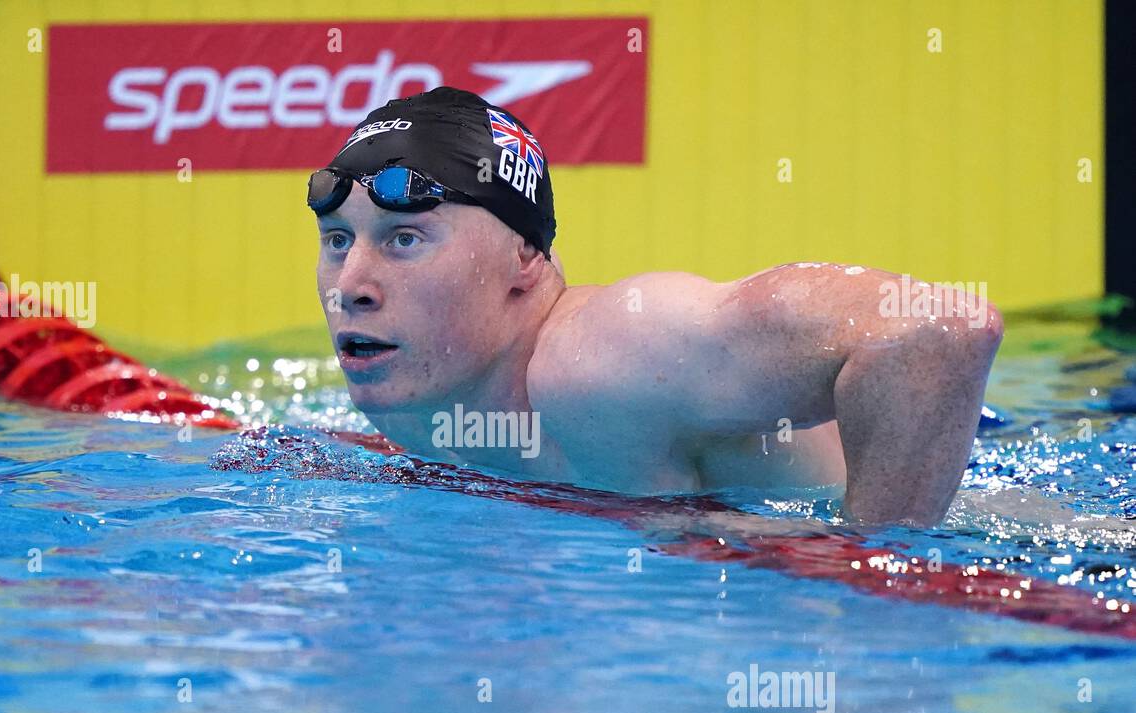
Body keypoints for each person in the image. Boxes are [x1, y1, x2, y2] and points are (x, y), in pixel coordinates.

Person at [307, 87, 1002, 527]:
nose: (352, 283)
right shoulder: (426, 399)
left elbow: (936, 329)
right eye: (337, 240)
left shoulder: (602, 357)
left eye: (404, 239)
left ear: (525, 258)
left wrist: (876, 584)